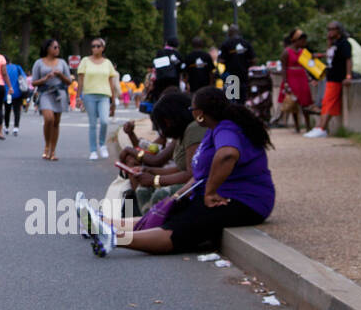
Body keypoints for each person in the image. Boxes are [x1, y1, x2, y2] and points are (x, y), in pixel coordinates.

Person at [109, 86, 275, 255]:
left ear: (200, 113)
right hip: (219, 195)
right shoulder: (213, 130)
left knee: (177, 228)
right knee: (166, 212)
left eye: (192, 109)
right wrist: (178, 196)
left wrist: (210, 192)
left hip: (244, 202)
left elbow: (227, 154)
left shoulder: (226, 128)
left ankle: (113, 238)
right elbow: (200, 173)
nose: (191, 113)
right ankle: (104, 224)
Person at [127, 90, 207, 217]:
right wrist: (149, 171)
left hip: (198, 185)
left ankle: (149, 227)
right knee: (143, 190)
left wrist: (155, 179)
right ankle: (145, 224)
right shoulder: (182, 133)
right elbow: (180, 167)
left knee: (160, 195)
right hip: (188, 180)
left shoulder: (194, 128)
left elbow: (191, 173)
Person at [307, 21, 351, 138]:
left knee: (328, 102)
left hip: (337, 77)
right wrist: (327, 45)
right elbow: (330, 56)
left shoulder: (344, 43)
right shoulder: (334, 44)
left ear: (339, 30)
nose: (330, 32)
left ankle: (322, 128)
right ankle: (320, 126)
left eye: (332, 29)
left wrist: (348, 76)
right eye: (328, 29)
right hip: (330, 76)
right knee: (327, 102)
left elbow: (348, 59)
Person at [76, 37, 118, 160]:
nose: (95, 48)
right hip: (89, 95)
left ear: (103, 48)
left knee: (105, 121)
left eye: (98, 46)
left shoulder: (107, 63)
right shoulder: (85, 61)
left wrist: (113, 100)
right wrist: (79, 96)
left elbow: (111, 82)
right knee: (93, 123)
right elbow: (80, 80)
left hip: (104, 95)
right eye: (93, 46)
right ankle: (93, 150)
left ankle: (102, 144)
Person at [31, 39, 72, 161]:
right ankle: (46, 145)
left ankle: (53, 151)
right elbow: (34, 82)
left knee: (56, 122)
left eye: (58, 47)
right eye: (55, 47)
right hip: (45, 93)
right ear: (47, 48)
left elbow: (69, 81)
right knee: (49, 119)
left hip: (59, 94)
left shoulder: (62, 63)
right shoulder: (39, 63)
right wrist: (45, 78)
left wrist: (60, 75)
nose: (57, 49)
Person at [278, 28, 315, 133]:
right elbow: (284, 68)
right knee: (294, 102)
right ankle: (297, 125)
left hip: (302, 77)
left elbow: (309, 63)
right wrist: (285, 82)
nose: (304, 42)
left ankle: (308, 125)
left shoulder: (303, 52)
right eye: (302, 40)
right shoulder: (287, 52)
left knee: (305, 101)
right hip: (292, 77)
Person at [218, 24, 256, 102]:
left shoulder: (226, 44)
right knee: (242, 101)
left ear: (229, 33)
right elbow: (254, 60)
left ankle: (232, 114)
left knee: (231, 101)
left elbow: (221, 60)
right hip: (244, 76)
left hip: (231, 76)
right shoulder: (246, 43)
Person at [148, 37, 182, 102]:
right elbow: (180, 68)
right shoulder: (177, 54)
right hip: (174, 80)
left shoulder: (160, 52)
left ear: (167, 43)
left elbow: (155, 67)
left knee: (160, 98)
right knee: (173, 98)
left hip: (160, 79)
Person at [3, 56, 26, 136]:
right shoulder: (17, 67)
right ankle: (16, 128)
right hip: (17, 93)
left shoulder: (3, 68)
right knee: (17, 111)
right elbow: (24, 77)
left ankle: (6, 127)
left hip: (7, 93)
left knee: (7, 110)